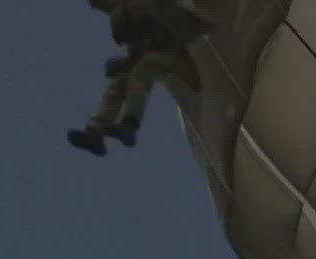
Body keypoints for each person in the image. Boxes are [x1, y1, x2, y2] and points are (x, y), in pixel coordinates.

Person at [68, 0, 214, 156]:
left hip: (180, 56)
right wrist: (125, 62)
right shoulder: (123, 16)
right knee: (121, 80)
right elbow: (139, 47)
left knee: (145, 67)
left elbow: (168, 31)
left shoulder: (137, 7)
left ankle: (129, 123)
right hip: (167, 55)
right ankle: (96, 130)